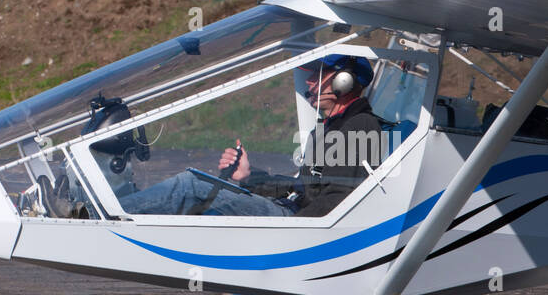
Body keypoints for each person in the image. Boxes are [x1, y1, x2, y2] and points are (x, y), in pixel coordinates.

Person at [116, 54, 382, 217]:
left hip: (300, 226)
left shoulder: (358, 126)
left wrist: (292, 232)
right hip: (294, 215)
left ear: (343, 82)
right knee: (201, 189)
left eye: (319, 75)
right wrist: (248, 177)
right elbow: (302, 189)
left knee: (190, 186)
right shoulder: (328, 128)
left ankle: (108, 218)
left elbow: (341, 197)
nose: (310, 83)